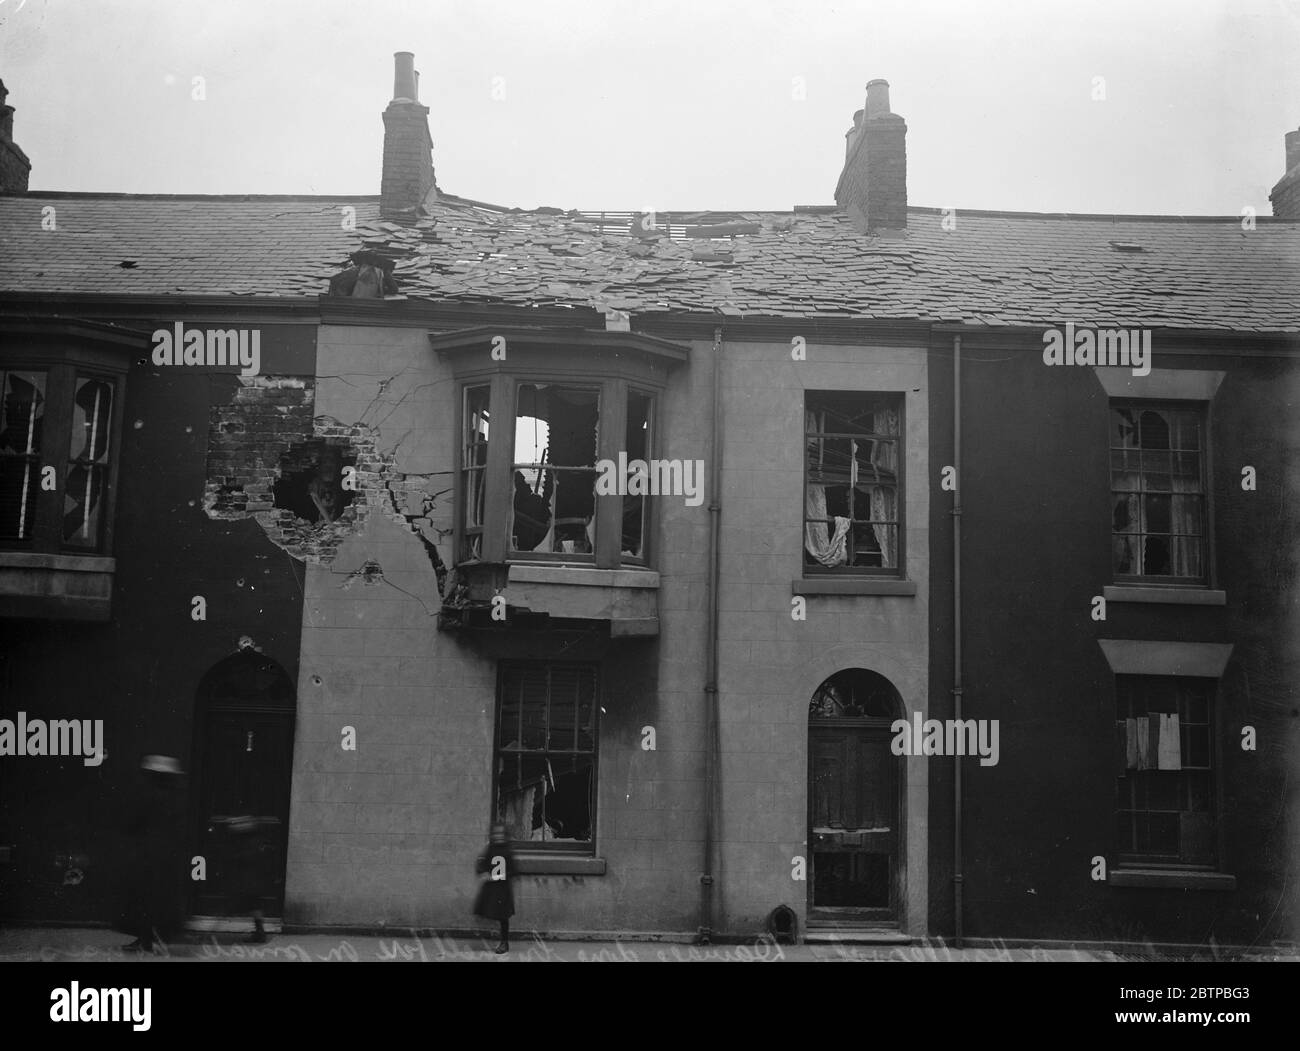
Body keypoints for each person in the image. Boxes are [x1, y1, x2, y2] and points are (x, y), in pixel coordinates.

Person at [116, 755, 187, 954]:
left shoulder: (148, 795)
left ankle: (145, 940)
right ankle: (154, 939)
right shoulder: (175, 797)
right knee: (161, 900)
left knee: (144, 898)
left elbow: (132, 823)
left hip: (148, 854)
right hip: (168, 855)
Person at [473, 823, 514, 954]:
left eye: (500, 834)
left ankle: (504, 942)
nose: (498, 837)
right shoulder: (490, 848)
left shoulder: (508, 851)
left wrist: (497, 876)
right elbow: (482, 863)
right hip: (491, 888)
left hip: (502, 888)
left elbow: (513, 871)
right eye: (496, 834)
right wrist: (482, 870)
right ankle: (491, 934)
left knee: (503, 916)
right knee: (484, 909)